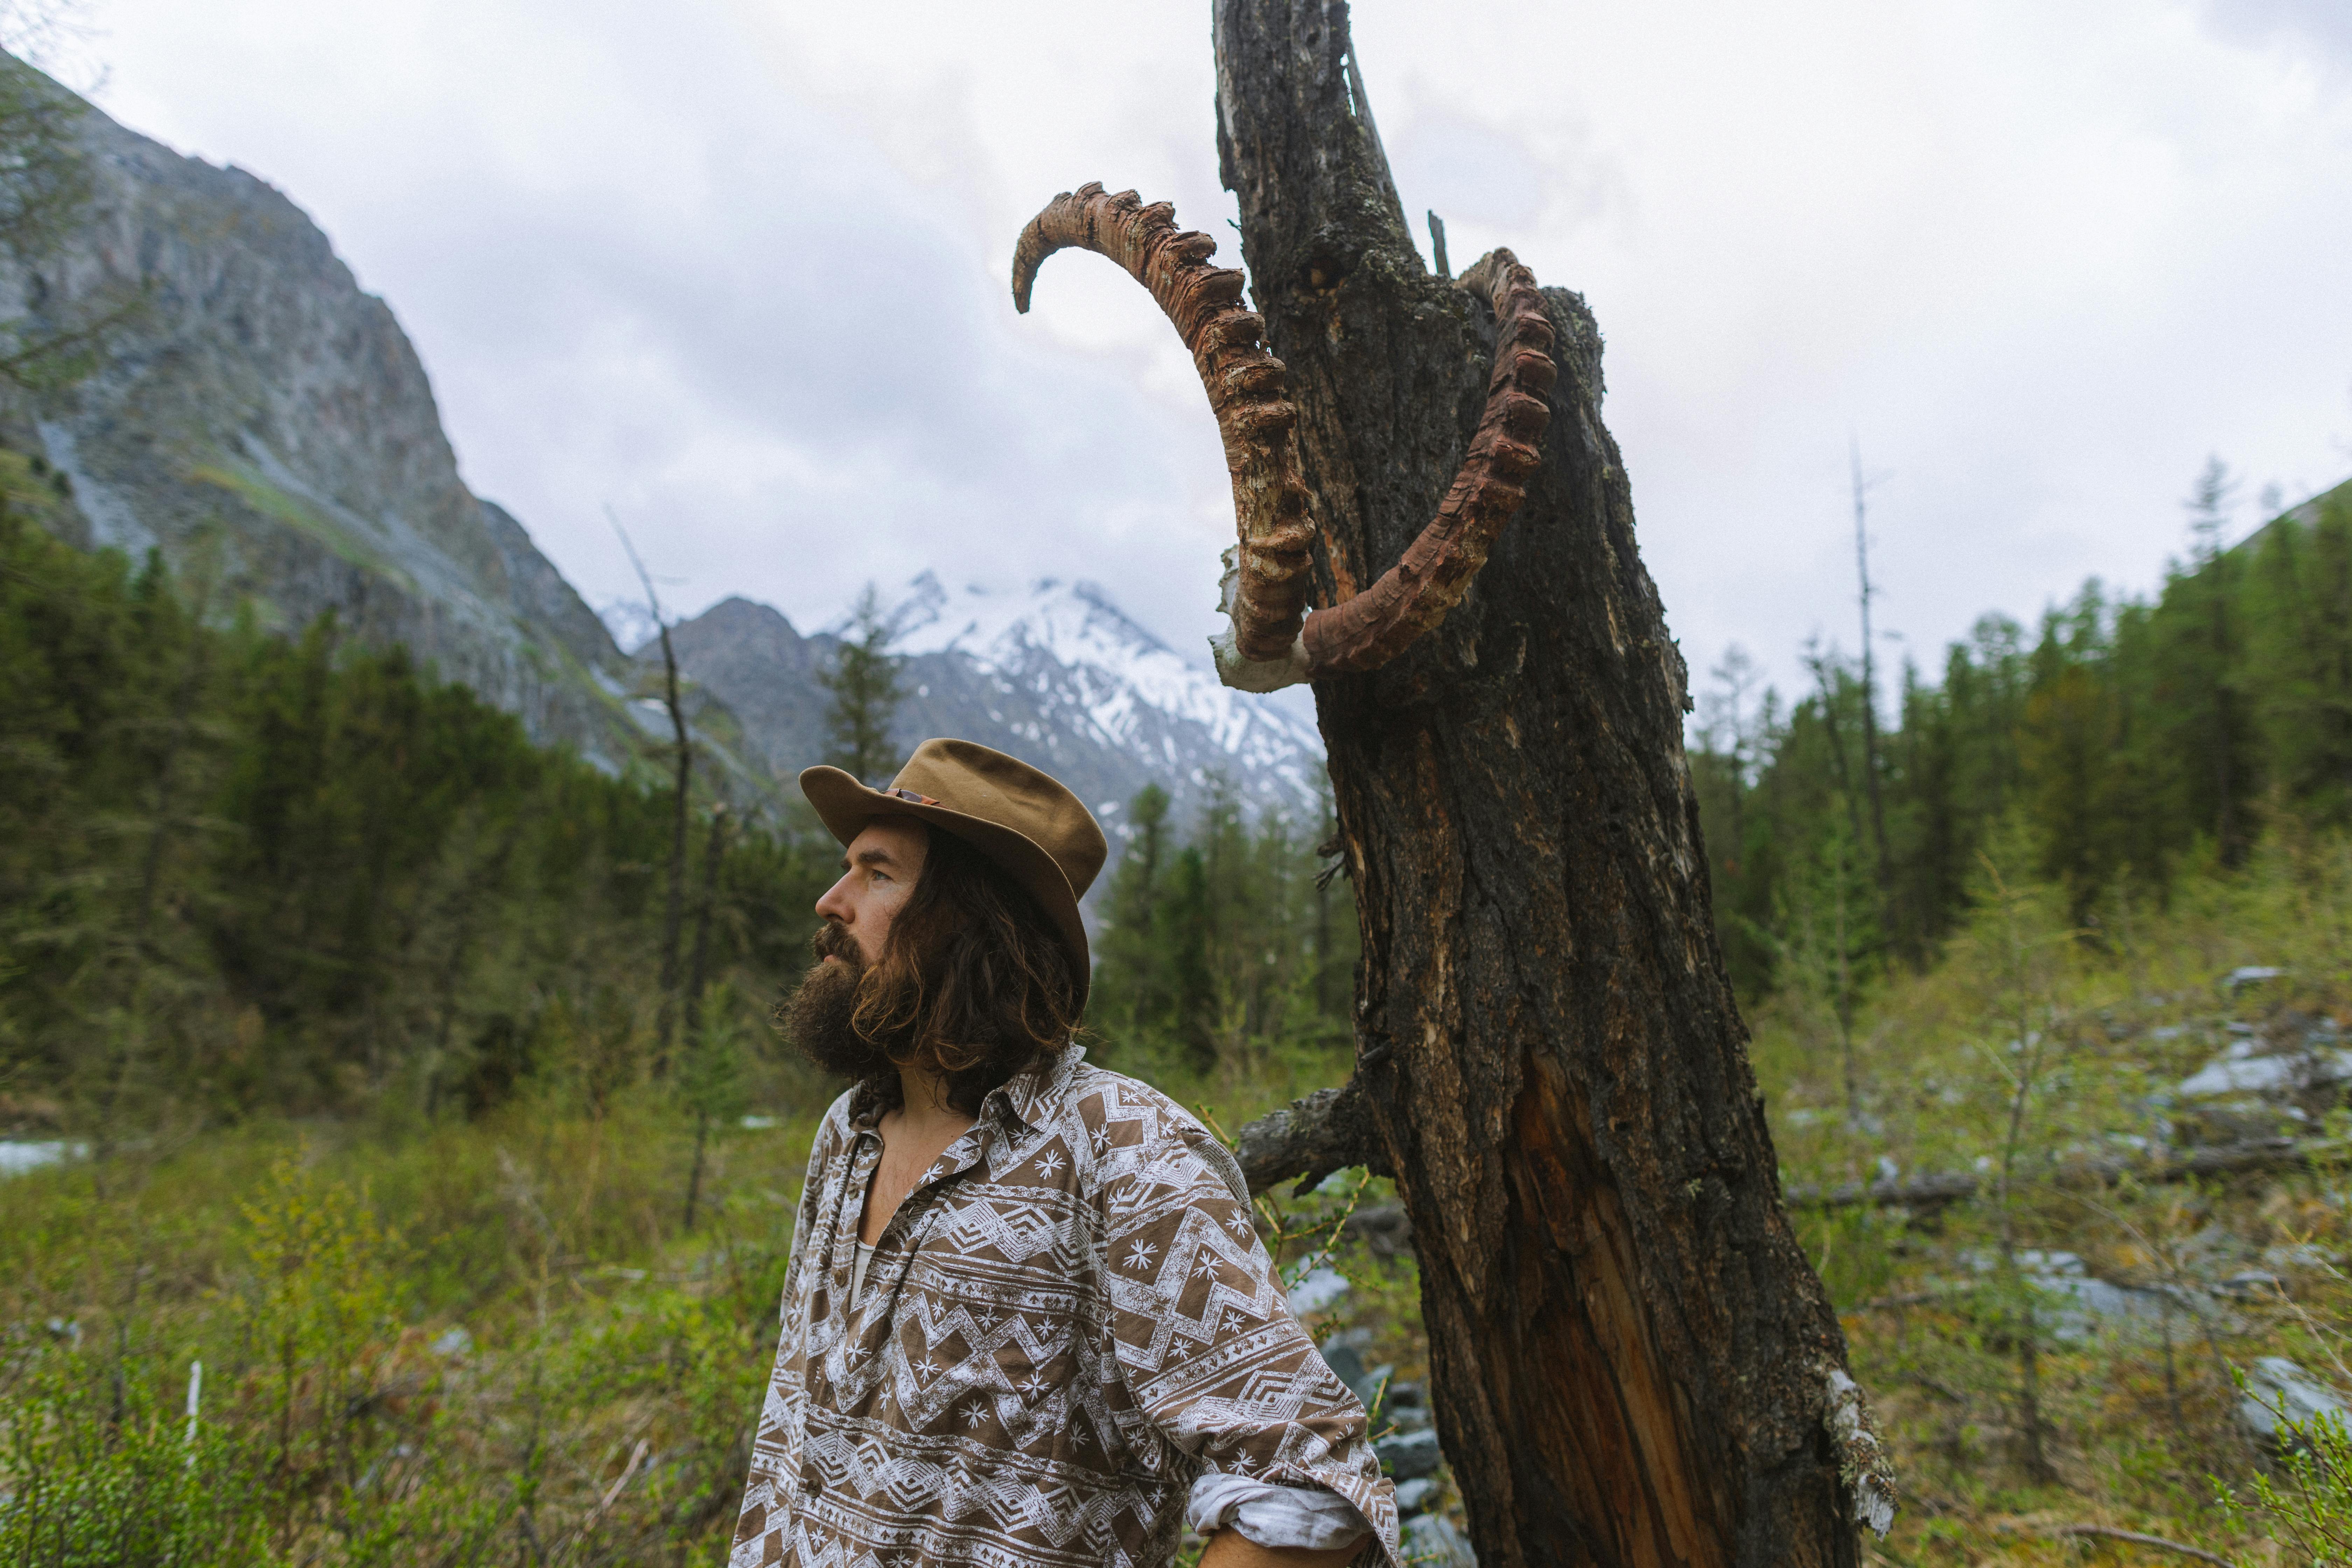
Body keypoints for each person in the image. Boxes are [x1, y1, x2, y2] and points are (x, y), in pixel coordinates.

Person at [731, 738, 1399, 1568]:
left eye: (877, 874)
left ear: (967, 920)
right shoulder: (847, 1133)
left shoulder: (1123, 1151)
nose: (831, 901)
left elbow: (1307, 1487)